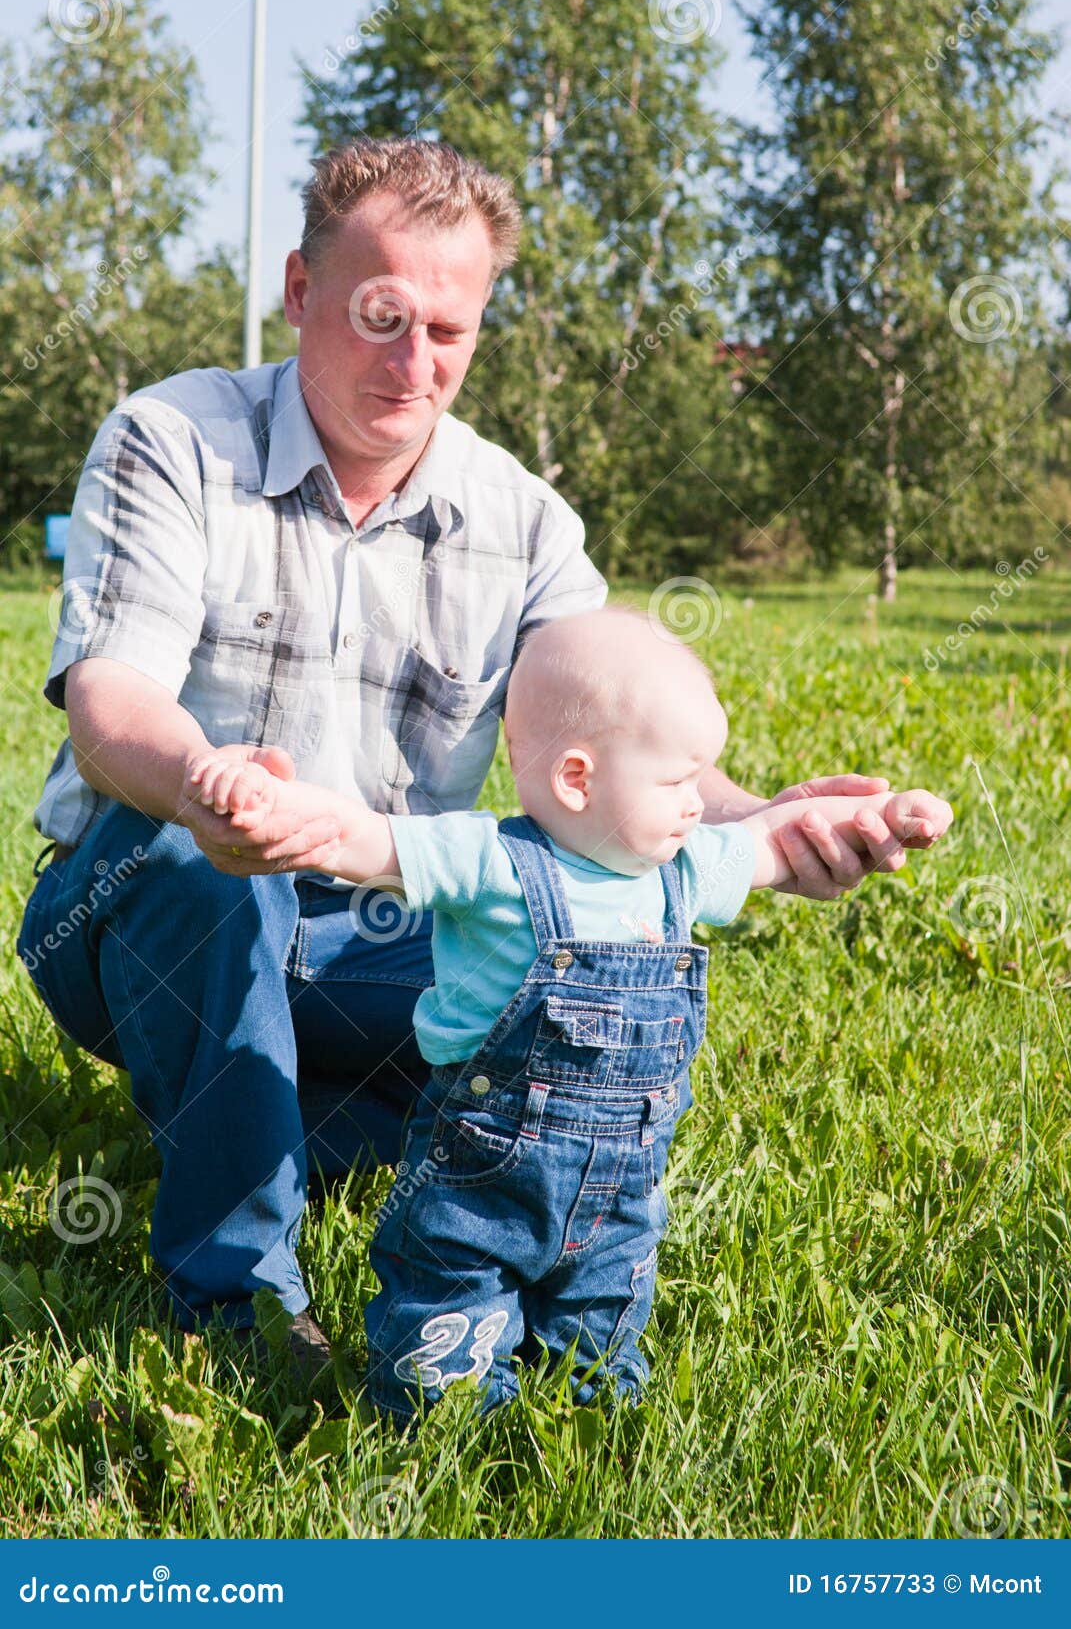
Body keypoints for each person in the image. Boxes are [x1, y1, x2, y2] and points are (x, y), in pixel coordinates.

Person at [16, 137, 945, 1383]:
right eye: (382, 315)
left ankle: (354, 1143)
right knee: (204, 869)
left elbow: (615, 739)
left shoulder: (522, 519)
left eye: (449, 331)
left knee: (596, 930)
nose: (417, 365)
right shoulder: (175, 439)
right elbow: (113, 700)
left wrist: (769, 818)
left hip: (391, 926)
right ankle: (239, 1308)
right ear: (301, 290)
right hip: (142, 899)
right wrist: (205, 783)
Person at [184, 605, 953, 1419]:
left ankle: (586, 1430)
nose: (698, 805)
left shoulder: (681, 870)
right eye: (675, 783)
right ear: (576, 779)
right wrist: (270, 802)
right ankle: (449, 1431)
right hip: (480, 1169)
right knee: (449, 1323)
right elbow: (362, 839)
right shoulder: (488, 860)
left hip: (623, 1190)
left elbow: (769, 836)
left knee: (600, 1341)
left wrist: (882, 812)